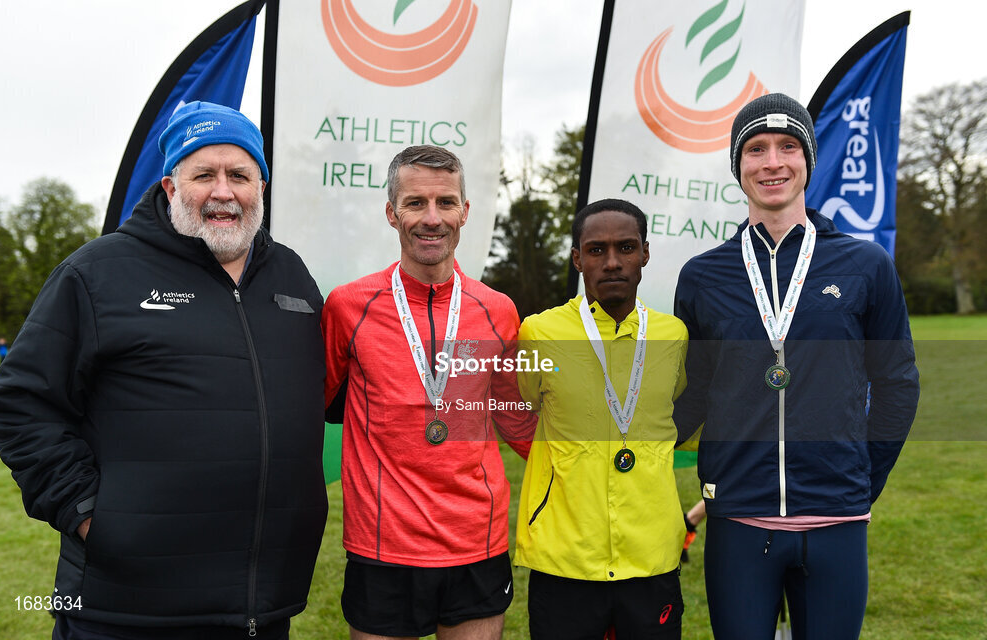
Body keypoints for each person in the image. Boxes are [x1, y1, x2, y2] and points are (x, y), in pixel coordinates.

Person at [0, 101, 328, 640]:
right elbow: (21, 403)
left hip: (261, 608)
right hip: (125, 608)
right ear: (170, 187)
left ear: (261, 186)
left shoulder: (291, 274)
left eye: (239, 175)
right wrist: (88, 513)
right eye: (204, 175)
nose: (223, 191)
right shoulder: (97, 272)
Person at [673, 93, 920, 639]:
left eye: (788, 147)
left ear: (808, 159)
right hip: (738, 519)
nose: (772, 163)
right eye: (755, 149)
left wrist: (862, 479)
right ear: (737, 165)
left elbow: (898, 384)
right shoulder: (702, 276)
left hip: (837, 520)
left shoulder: (865, 265)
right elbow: (693, 393)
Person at [322, 145, 536, 640]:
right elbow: (305, 406)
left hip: (476, 542)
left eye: (445, 202)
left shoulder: (498, 310)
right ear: (391, 212)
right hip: (382, 544)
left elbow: (517, 422)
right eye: (415, 203)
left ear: (465, 211)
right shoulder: (348, 307)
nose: (432, 218)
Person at [514, 198, 687, 639]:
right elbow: (525, 406)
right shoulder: (539, 333)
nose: (612, 262)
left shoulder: (673, 335)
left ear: (645, 253)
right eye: (596, 250)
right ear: (577, 259)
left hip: (650, 554)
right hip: (565, 556)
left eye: (626, 248)